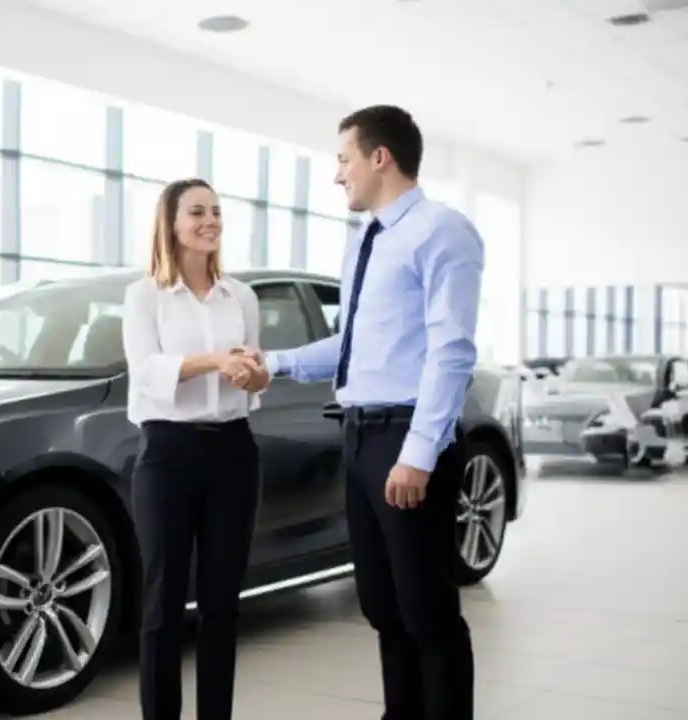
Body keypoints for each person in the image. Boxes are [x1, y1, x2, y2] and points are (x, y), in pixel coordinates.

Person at [247, 105, 483, 719]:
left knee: (427, 611)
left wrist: (418, 454)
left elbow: (451, 352)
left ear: (380, 157)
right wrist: (275, 361)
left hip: (405, 439)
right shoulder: (365, 241)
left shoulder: (441, 230)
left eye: (343, 159)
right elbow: (353, 345)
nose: (337, 175)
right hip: (358, 439)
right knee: (383, 606)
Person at [121, 177, 269, 720]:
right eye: (198, 212)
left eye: (216, 211)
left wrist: (254, 375)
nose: (211, 222)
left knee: (222, 605)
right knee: (161, 603)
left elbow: (254, 378)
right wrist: (214, 361)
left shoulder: (241, 296)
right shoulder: (144, 297)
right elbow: (146, 371)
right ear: (172, 222)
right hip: (168, 453)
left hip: (234, 452)